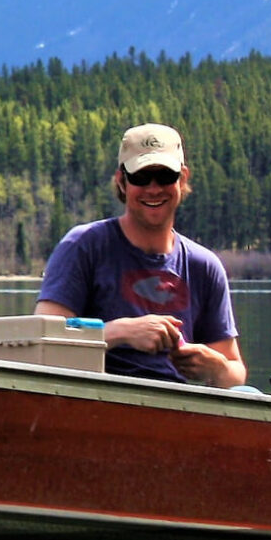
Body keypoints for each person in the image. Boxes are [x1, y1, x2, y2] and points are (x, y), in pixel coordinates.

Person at [37, 123, 245, 386]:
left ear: (182, 179)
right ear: (121, 181)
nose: (153, 189)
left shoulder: (204, 266)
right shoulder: (83, 245)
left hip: (181, 403)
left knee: (249, 393)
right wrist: (119, 332)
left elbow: (235, 371)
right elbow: (42, 340)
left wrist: (216, 368)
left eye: (165, 176)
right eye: (141, 177)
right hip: (97, 394)